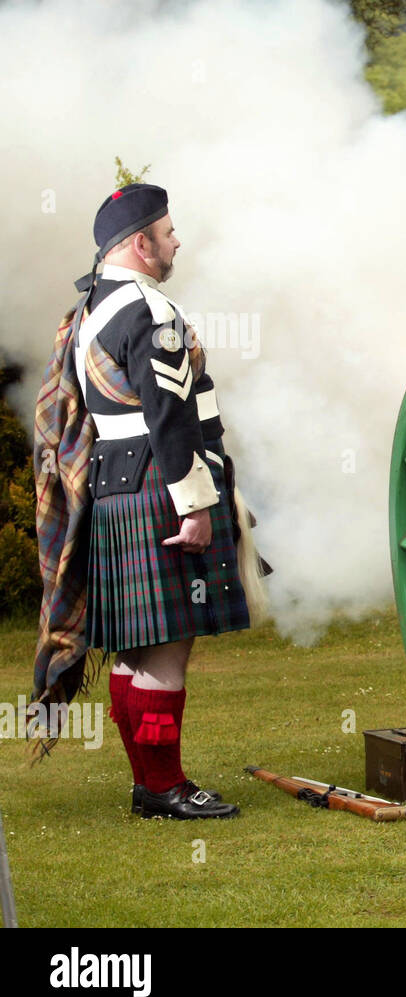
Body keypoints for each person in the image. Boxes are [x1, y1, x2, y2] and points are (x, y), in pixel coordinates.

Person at [33, 183, 257, 819]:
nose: (176, 240)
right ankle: (165, 788)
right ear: (141, 243)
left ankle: (149, 783)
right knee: (166, 648)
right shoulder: (149, 312)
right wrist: (194, 503)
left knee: (136, 651)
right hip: (160, 484)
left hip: (114, 487)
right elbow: (168, 415)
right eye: (168, 231)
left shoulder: (90, 311)